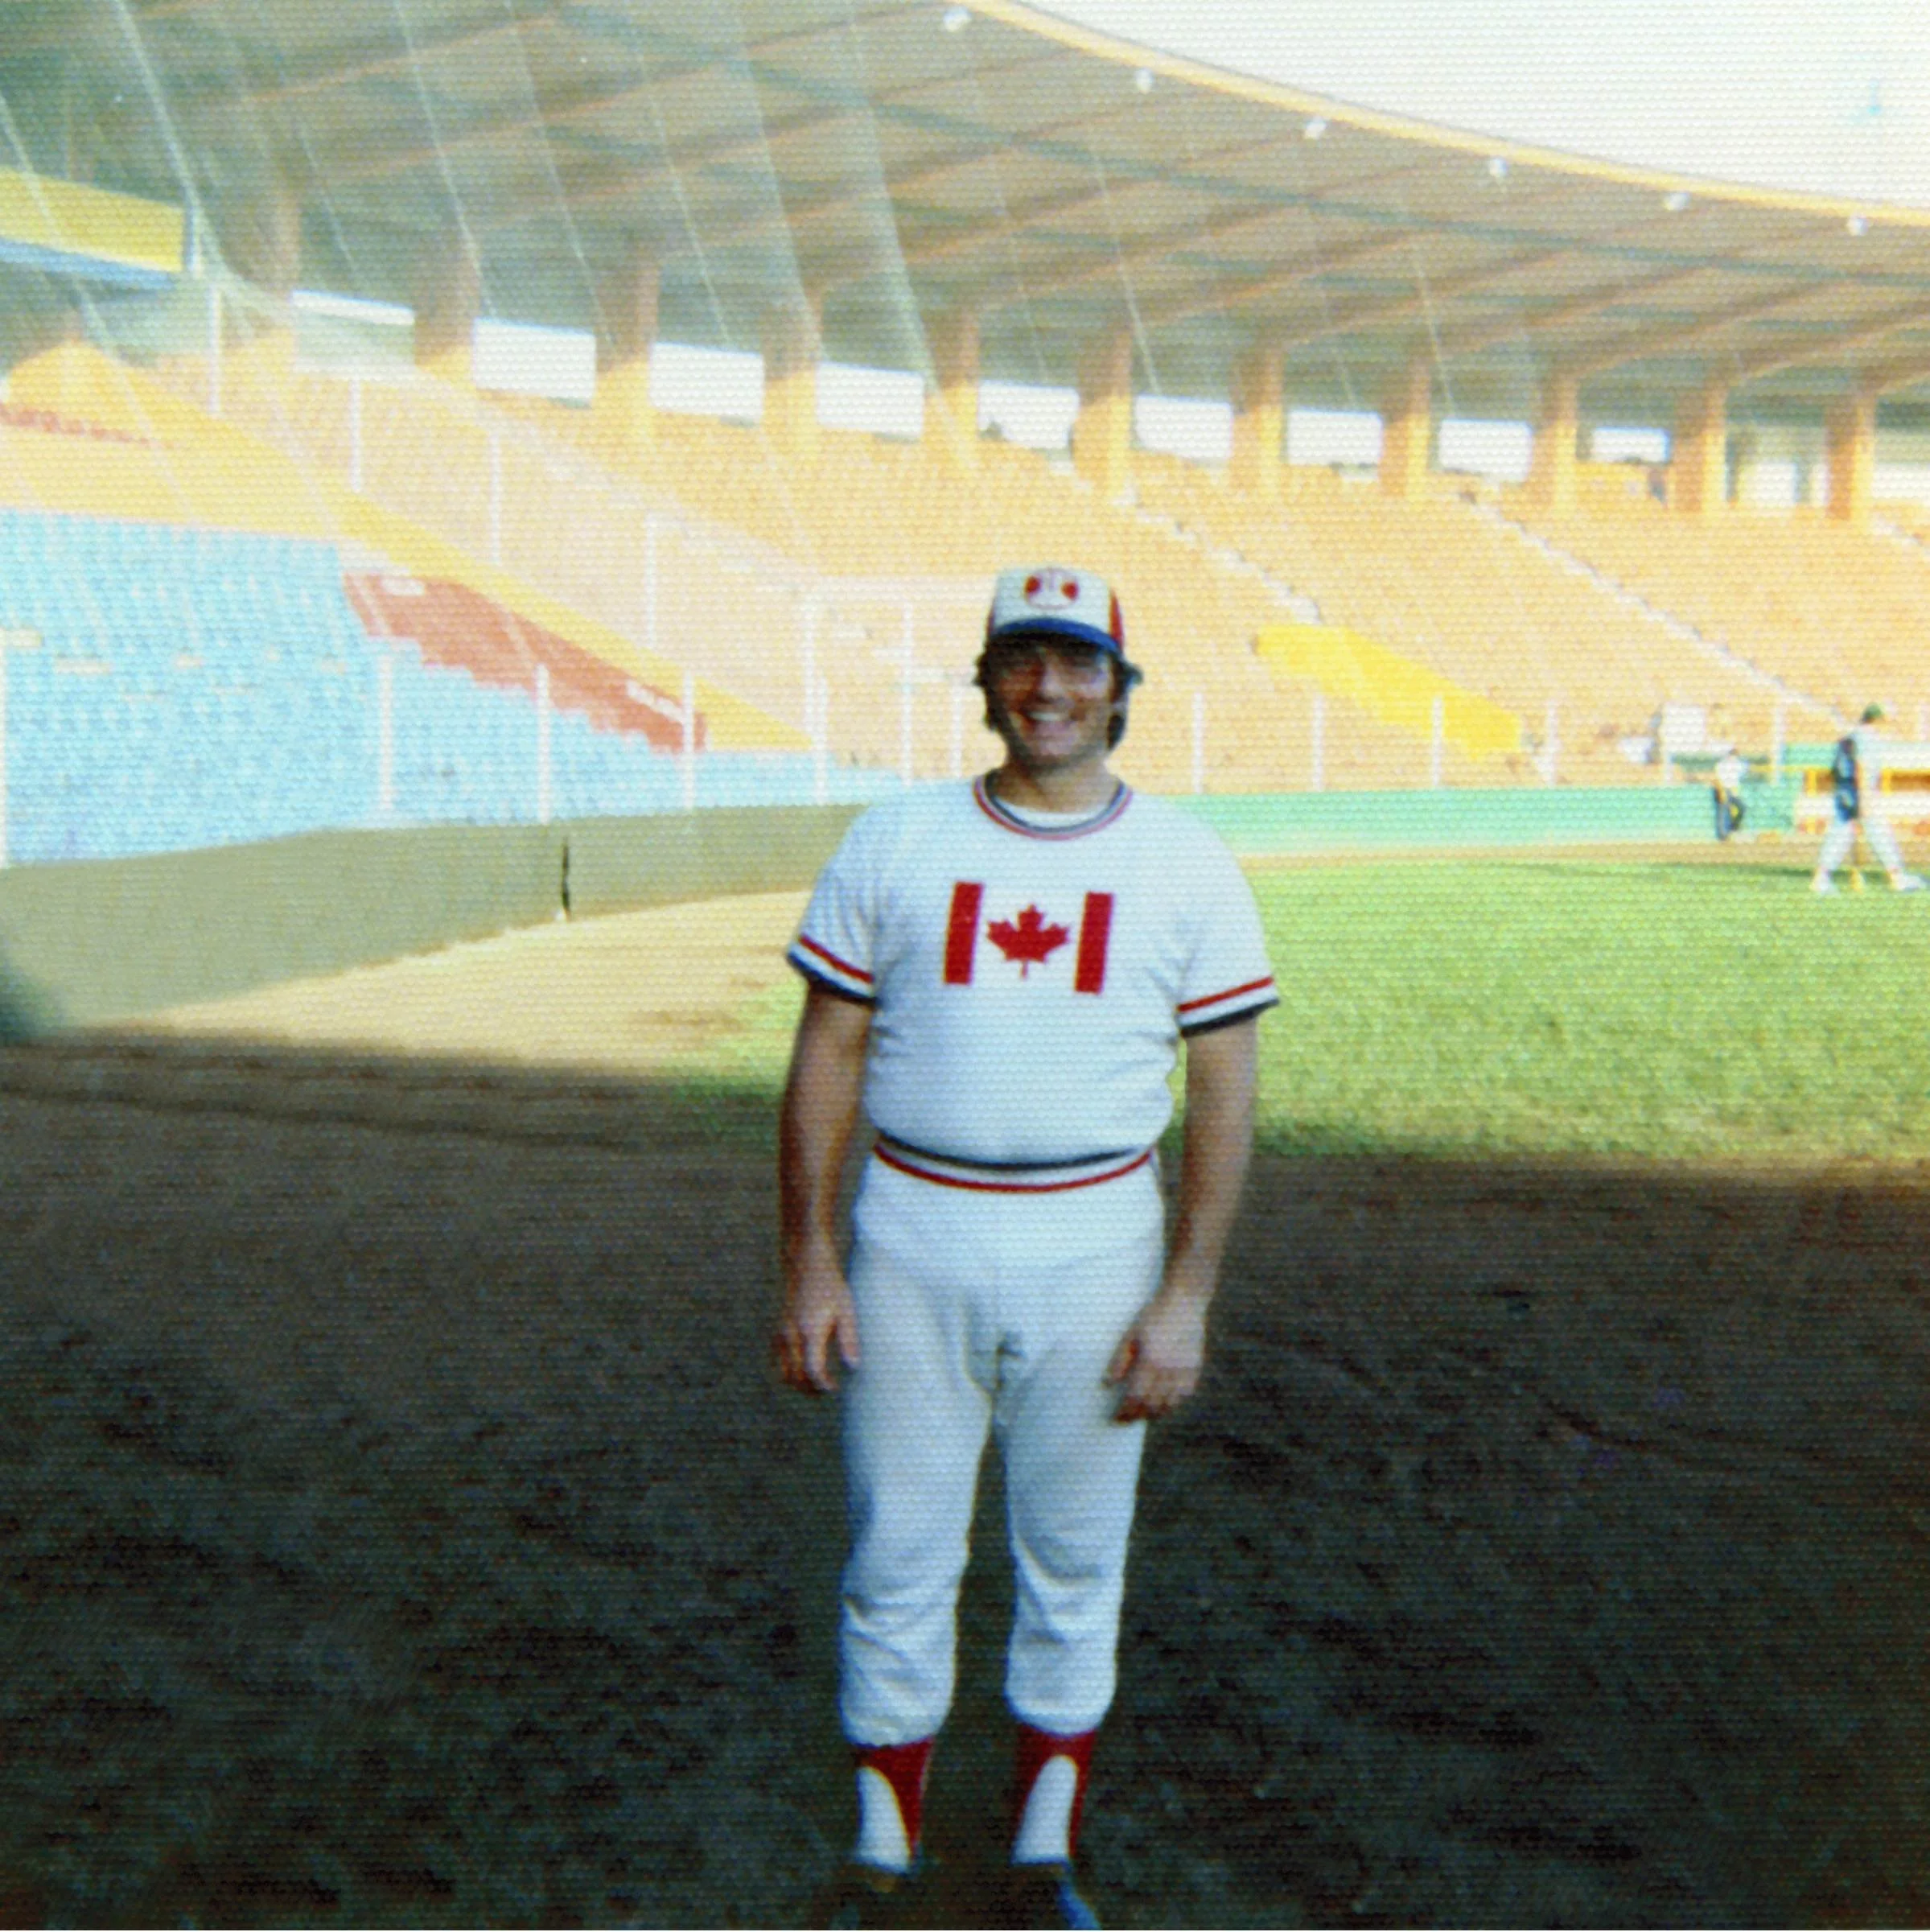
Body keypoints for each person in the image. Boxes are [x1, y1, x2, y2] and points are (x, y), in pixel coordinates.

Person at [776, 565, 1278, 1930]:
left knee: (1073, 1552)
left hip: (1095, 1241)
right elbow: (825, 1049)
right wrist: (809, 1259)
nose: (1047, 689)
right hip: (910, 1233)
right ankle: (883, 1848)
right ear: (987, 679)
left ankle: (1042, 1849)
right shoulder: (896, 837)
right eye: (1021, 661)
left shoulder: (1181, 857)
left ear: (1119, 687)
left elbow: (1223, 1087)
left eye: (1075, 664)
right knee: (897, 1545)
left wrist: (1184, 1296)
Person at [1812, 703, 1924, 893]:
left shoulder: (1852, 736)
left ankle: (1821, 878)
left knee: (1841, 834)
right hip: (1860, 792)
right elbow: (1862, 767)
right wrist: (1865, 799)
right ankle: (1897, 878)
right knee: (1879, 834)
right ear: (1878, 718)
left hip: (1845, 791)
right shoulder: (1868, 738)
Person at [1711, 746, 1747, 842]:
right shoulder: (1722, 765)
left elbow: (1739, 776)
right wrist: (1722, 792)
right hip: (1723, 789)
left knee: (1741, 808)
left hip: (1733, 791)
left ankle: (1734, 829)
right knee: (1722, 813)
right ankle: (1723, 837)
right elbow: (1717, 779)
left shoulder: (1738, 765)